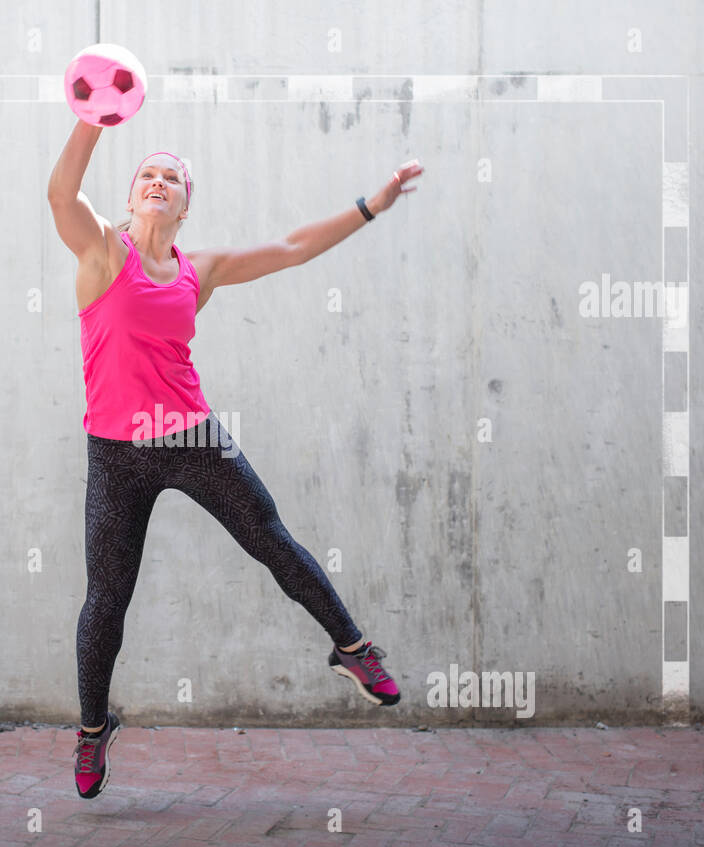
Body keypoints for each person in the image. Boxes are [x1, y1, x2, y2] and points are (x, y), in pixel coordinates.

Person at [46, 119, 423, 798]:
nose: (159, 184)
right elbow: (60, 196)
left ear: (184, 206)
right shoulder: (102, 250)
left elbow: (291, 248)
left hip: (189, 434)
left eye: (172, 179)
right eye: (148, 176)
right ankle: (94, 731)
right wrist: (92, 120)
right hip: (115, 454)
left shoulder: (201, 269)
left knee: (269, 536)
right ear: (131, 197)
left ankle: (352, 651)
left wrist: (373, 205)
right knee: (107, 598)